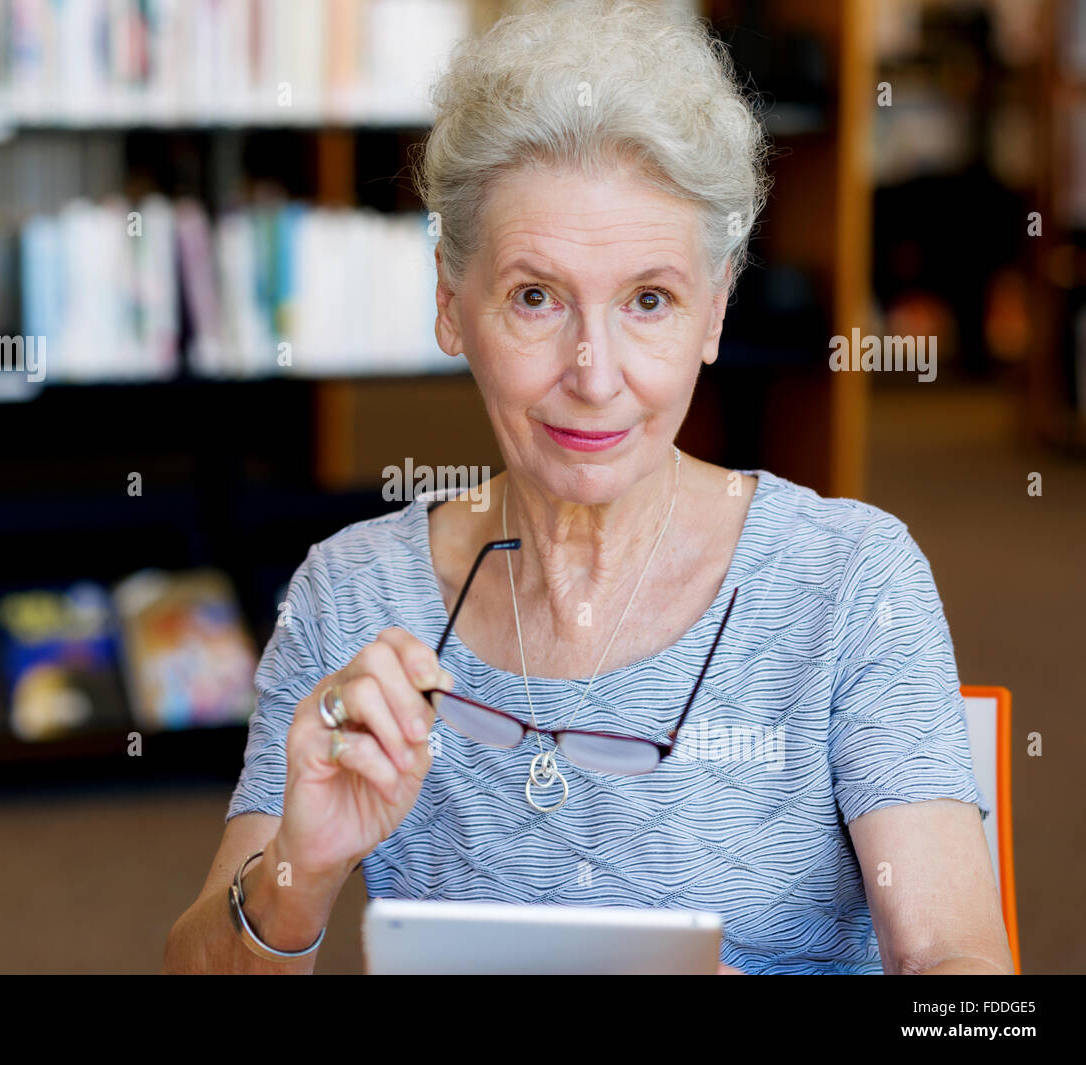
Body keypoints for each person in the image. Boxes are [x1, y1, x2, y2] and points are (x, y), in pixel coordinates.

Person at [164, 0, 1013, 975]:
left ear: (714, 313)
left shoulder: (851, 578)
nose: (594, 373)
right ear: (450, 303)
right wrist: (297, 874)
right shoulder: (350, 595)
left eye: (649, 300)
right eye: (535, 297)